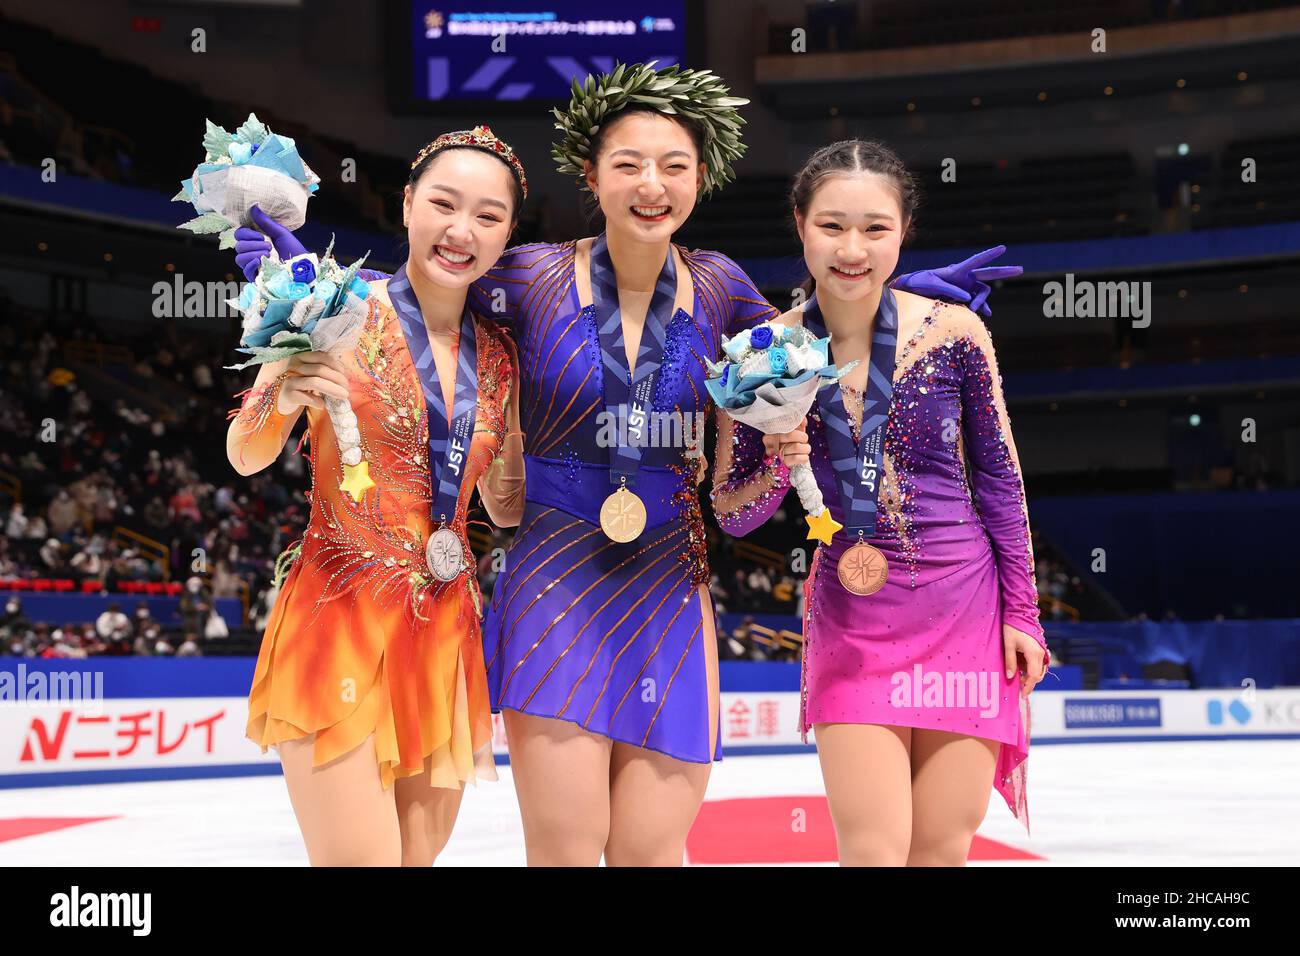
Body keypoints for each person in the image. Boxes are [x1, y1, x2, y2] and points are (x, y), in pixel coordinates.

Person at [235, 63, 1006, 867]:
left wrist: (893, 293)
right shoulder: (526, 275)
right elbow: (434, 279)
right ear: (592, 176)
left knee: (651, 850)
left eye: (674, 166)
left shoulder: (719, 288)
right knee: (567, 850)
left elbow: (799, 334)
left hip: (670, 584)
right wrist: (314, 292)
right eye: (629, 163)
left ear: (701, 179)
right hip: (554, 580)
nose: (651, 184)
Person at [716, 139, 1049, 865]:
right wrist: (779, 464)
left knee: (940, 850)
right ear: (799, 223)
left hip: (966, 607)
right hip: (853, 613)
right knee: (872, 851)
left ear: (904, 233)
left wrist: (1022, 611)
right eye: (832, 226)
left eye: (875, 228)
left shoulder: (955, 333)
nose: (852, 247)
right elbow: (731, 514)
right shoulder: (762, 354)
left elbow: (1000, 481)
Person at [226, 125, 527, 866]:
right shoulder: (331, 306)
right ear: (407, 204)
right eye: (444, 204)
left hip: (446, 633)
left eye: (488, 217)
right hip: (337, 619)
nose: (462, 231)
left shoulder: (502, 356)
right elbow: (245, 453)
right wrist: (288, 391)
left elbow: (505, 507)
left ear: (508, 233)